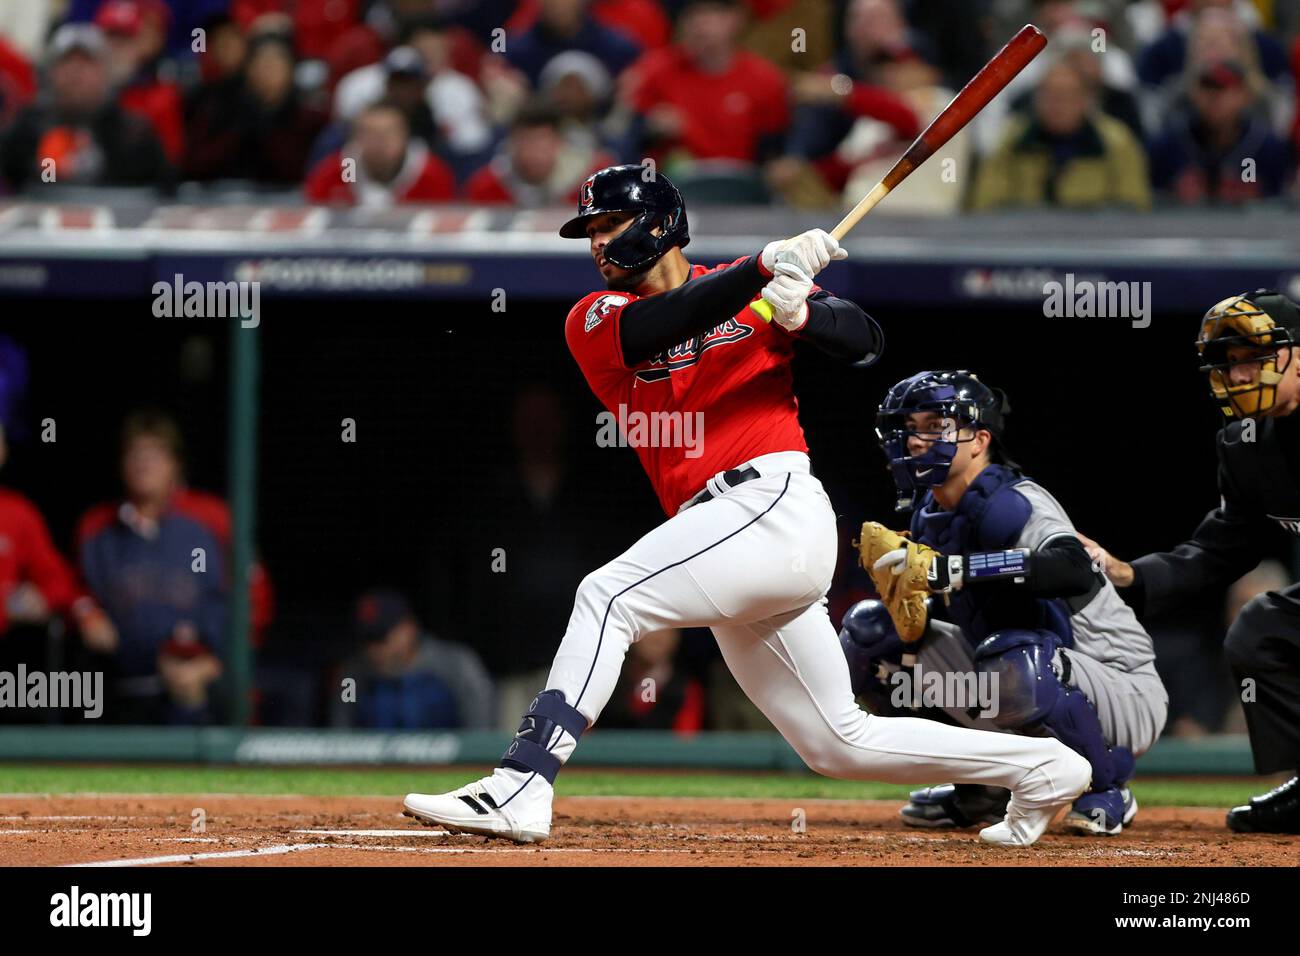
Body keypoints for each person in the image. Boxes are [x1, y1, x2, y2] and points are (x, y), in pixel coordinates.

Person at [402, 164, 1091, 848]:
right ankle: (1042, 766)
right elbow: (661, 328)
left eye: (610, 224)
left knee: (607, 597)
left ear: (661, 224)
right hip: (725, 531)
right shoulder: (596, 316)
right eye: (590, 230)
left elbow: (865, 342)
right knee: (837, 743)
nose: (597, 242)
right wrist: (762, 268)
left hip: (772, 502)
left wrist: (806, 311)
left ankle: (524, 782)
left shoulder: (757, 292)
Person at [843, 371, 1167, 835]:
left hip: (1119, 685)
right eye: (909, 426)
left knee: (1014, 656)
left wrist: (955, 570)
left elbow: (1071, 566)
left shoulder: (1017, 502)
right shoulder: (931, 514)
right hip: (1020, 667)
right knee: (871, 636)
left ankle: (1106, 787)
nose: (915, 440)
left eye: (935, 425)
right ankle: (984, 787)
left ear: (979, 439)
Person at [1081, 290, 1300, 834]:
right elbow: (1222, 547)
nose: (1241, 372)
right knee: (1261, 629)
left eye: (1255, 355)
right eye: (1230, 361)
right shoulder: (1246, 443)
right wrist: (1129, 573)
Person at [76, 411, 273, 725]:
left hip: (206, 677)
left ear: (175, 463)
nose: (144, 463)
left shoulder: (214, 518)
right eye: (135, 453)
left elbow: (256, 599)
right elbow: (73, 589)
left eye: (155, 453)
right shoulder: (98, 526)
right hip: (126, 682)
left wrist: (218, 662)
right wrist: (87, 612)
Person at [0, 24, 171, 191]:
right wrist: (43, 170)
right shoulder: (27, 129)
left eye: (86, 62)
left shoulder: (132, 133)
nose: (75, 72)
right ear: (49, 73)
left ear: (106, 73)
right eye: (66, 62)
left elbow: (164, 190)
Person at [969, 58, 1151, 211]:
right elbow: (986, 203)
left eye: (1067, 97)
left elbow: (1134, 205)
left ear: (1084, 101)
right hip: (1023, 241)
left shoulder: (1116, 141)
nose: (1057, 105)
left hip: (1095, 244)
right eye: (1049, 96)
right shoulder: (1012, 138)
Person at [330, 589, 493, 730]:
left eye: (380, 638)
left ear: (408, 629)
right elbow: (342, 739)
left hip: (445, 764)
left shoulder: (457, 664)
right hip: (376, 765)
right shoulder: (353, 673)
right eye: (366, 640)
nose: (373, 649)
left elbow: (481, 736)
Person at [304, 100, 455, 206]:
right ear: (355, 137)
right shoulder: (338, 171)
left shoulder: (429, 174)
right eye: (370, 133)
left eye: (388, 133)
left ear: (405, 137)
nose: (380, 142)